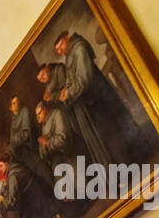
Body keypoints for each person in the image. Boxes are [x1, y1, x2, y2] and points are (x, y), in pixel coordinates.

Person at [55, 30, 134, 169]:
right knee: (106, 139)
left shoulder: (79, 49)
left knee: (112, 135)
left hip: (98, 99)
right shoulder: (69, 56)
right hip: (90, 102)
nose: (60, 51)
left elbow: (84, 78)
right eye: (57, 50)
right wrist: (65, 91)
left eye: (60, 46)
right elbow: (71, 80)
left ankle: (128, 167)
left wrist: (69, 93)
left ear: (66, 38)